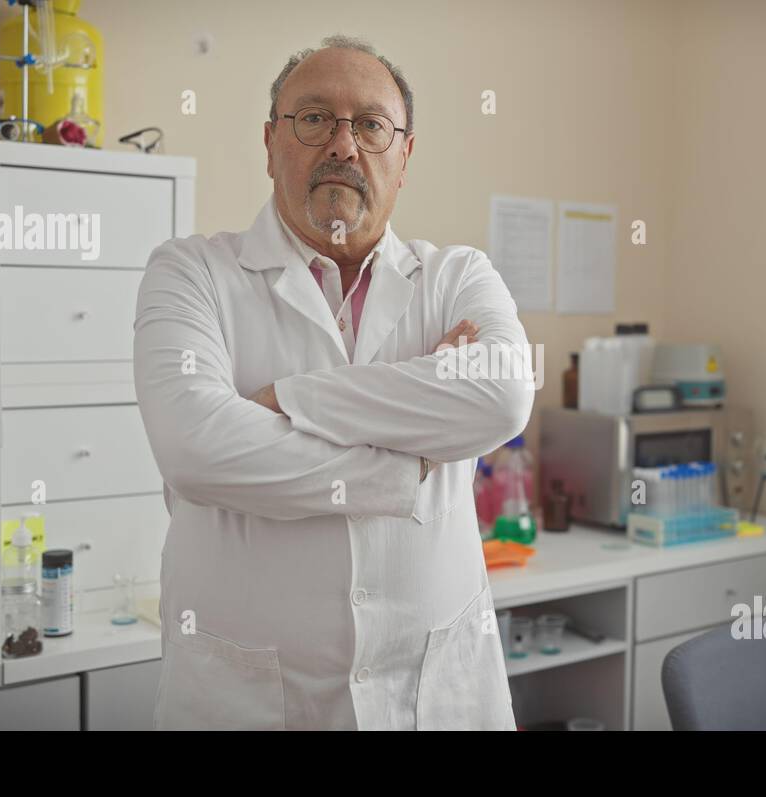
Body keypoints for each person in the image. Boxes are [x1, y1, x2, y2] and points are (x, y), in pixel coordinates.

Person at [133, 34, 534, 730]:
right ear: (269, 142)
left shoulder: (456, 277)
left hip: (437, 699)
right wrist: (410, 458)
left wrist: (284, 400)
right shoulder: (190, 273)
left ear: (404, 155)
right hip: (245, 702)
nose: (343, 146)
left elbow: (501, 394)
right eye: (315, 118)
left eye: (371, 125)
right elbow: (195, 448)